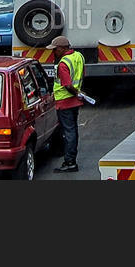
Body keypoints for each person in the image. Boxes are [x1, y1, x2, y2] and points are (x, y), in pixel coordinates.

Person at [49, 35, 85, 173]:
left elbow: (67, 85)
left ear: (63, 48)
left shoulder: (63, 64)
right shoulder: (78, 57)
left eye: (55, 49)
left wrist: (75, 92)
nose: (53, 52)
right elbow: (81, 76)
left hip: (65, 102)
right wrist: (79, 93)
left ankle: (70, 162)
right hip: (75, 101)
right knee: (73, 130)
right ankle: (71, 159)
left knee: (68, 132)